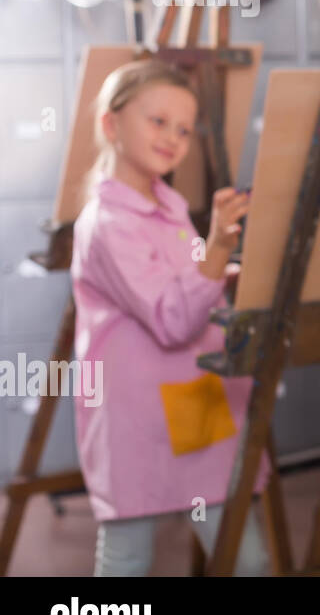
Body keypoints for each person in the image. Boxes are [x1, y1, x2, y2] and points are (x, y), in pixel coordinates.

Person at [70, 58, 270, 575]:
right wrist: (220, 246)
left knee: (241, 553)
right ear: (111, 124)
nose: (173, 137)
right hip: (136, 414)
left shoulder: (171, 205)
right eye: (157, 121)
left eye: (183, 129)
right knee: (128, 554)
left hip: (195, 395)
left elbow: (187, 283)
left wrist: (224, 264)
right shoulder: (107, 223)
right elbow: (171, 318)